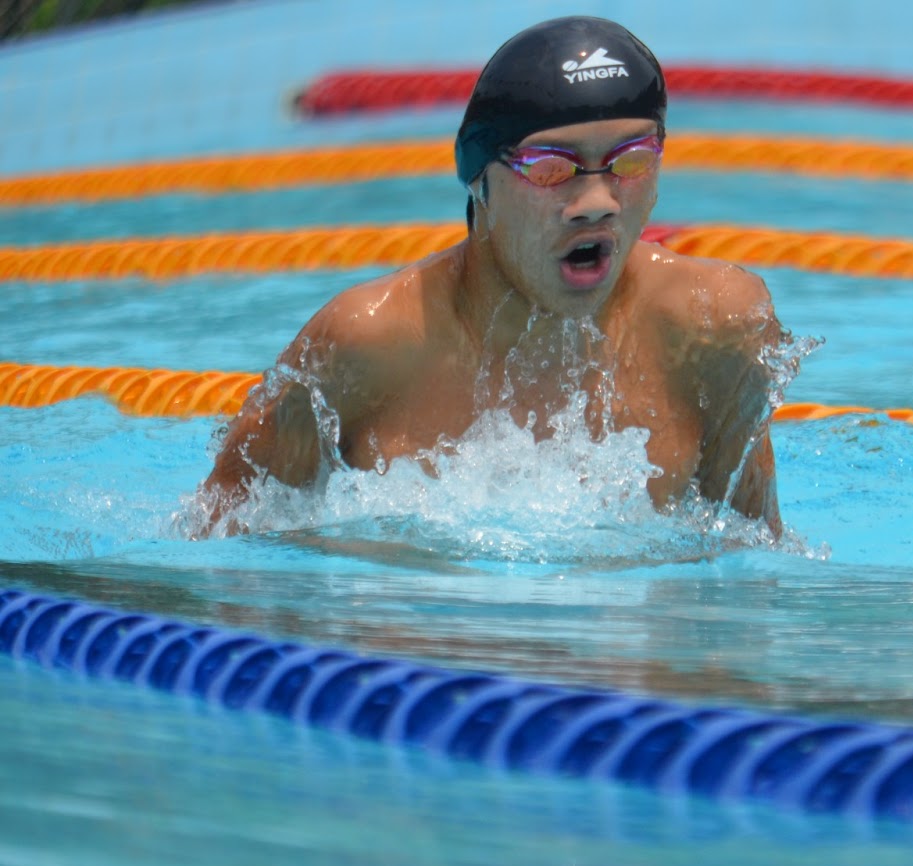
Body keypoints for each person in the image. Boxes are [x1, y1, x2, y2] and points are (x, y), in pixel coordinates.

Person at [196, 16, 788, 536]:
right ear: (479, 179)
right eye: (551, 167)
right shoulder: (368, 345)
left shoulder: (714, 327)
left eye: (630, 160)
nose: (597, 200)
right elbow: (222, 552)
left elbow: (751, 565)